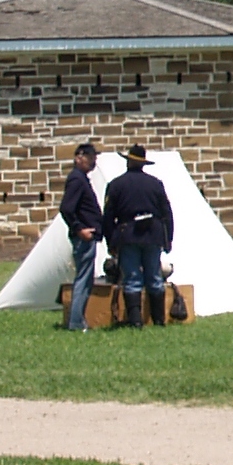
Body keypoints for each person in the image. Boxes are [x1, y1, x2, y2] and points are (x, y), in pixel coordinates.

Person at [101, 144, 173, 328]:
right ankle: (158, 320)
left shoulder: (116, 185)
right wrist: (168, 238)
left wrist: (111, 241)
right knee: (154, 278)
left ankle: (135, 321)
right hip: (152, 235)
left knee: (132, 279)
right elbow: (166, 213)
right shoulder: (156, 184)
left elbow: (108, 216)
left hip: (128, 234)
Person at [58, 142, 103, 332]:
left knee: (86, 280)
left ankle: (79, 320)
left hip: (88, 236)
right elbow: (67, 209)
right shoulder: (76, 179)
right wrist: (79, 229)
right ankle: (76, 323)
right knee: (83, 280)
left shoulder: (81, 178)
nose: (93, 162)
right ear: (79, 157)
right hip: (83, 237)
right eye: (90, 158)